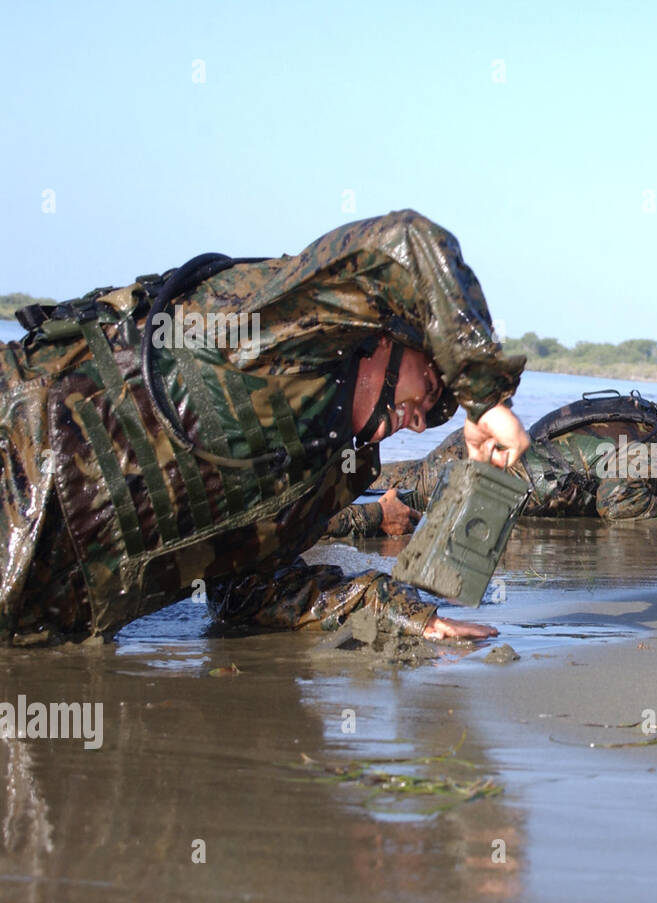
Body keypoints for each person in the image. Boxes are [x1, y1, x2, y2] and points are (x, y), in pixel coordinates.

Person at [0, 210, 529, 647]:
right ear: (382, 339)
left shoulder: (327, 474)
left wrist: (400, 615)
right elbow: (404, 244)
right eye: (432, 386)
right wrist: (480, 391)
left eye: (433, 412)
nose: (419, 416)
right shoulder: (273, 339)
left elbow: (253, 590)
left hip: (32, 620)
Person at [324, 391, 657, 539]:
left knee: (360, 477)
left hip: (481, 451)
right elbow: (618, 504)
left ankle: (310, 477)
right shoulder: (651, 447)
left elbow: (603, 465)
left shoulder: (632, 416)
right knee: (390, 495)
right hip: (489, 479)